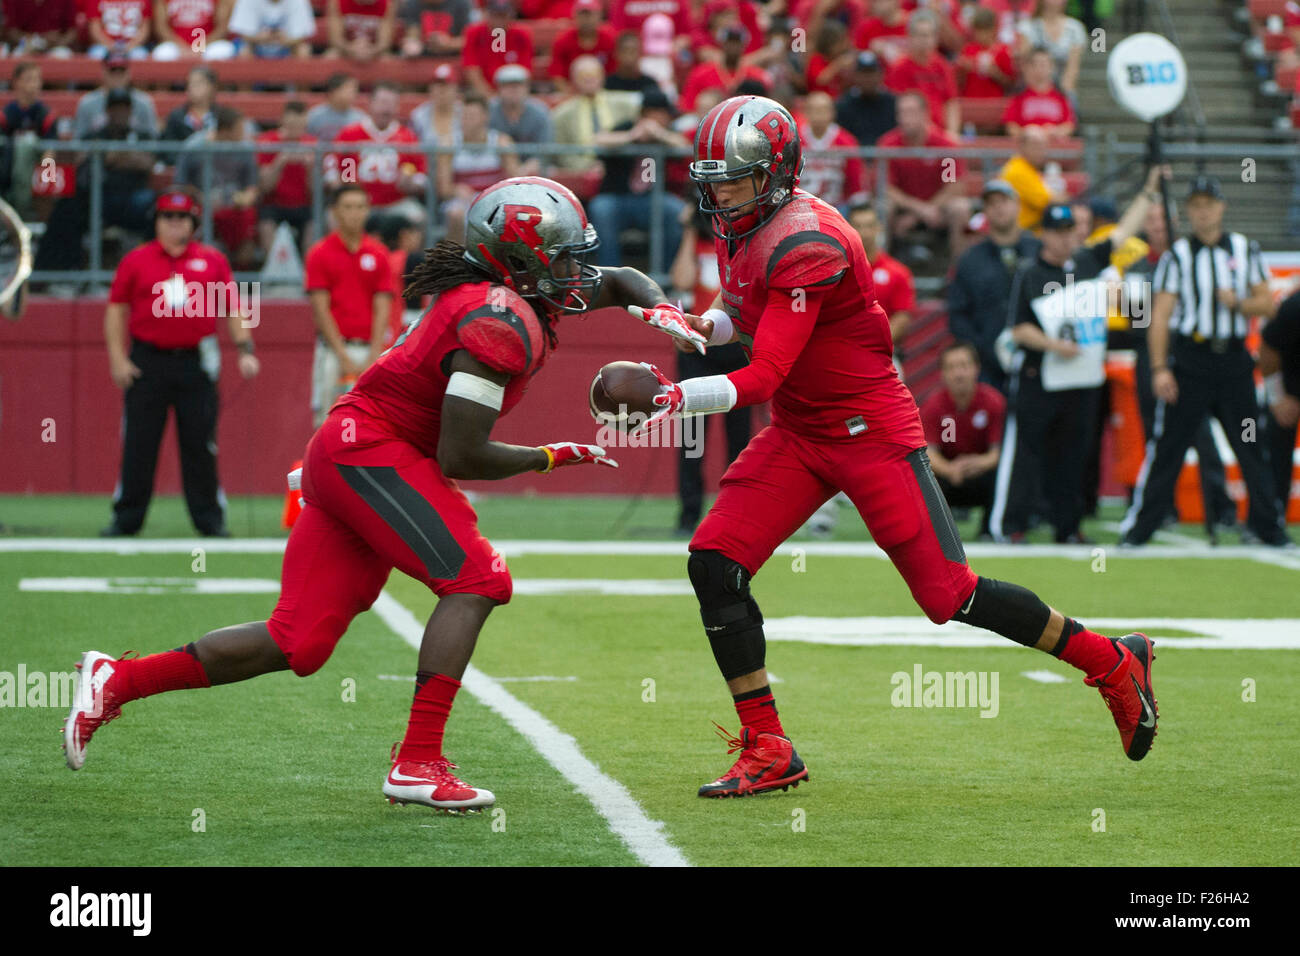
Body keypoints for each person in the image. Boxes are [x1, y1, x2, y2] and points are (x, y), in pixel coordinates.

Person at [64, 176, 706, 811]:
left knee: (298, 644)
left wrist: (663, 310)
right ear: (520, 261)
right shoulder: (498, 320)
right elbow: (461, 455)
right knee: (478, 579)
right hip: (371, 455)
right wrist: (545, 456)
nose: (576, 270)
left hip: (354, 449)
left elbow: (620, 279)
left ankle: (117, 681)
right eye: (563, 254)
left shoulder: (514, 293)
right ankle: (417, 761)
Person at [633, 96, 1161, 801]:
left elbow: (763, 374)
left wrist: (672, 400)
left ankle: (1111, 661)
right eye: (713, 175)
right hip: (801, 433)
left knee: (950, 596)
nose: (719, 190)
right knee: (715, 564)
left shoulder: (806, 241)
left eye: (734, 176)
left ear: (778, 175)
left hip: (868, 434)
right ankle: (768, 746)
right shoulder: (748, 228)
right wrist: (702, 323)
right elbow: (746, 315)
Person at [1119, 175, 1292, 548]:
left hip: (1233, 363)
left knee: (1251, 444)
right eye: (1195, 206)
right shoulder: (1178, 255)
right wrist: (1161, 367)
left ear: (1222, 207)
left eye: (1208, 204)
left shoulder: (1246, 249)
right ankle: (1141, 529)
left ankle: (1268, 526)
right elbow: (1160, 315)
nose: (1202, 212)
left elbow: (1266, 304)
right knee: (1169, 448)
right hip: (1191, 362)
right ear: (1189, 211)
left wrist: (1238, 304)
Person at [991, 172, 1163, 544]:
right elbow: (1017, 329)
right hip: (1042, 375)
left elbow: (1122, 234)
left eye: (1072, 230)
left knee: (1073, 455)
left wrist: (1148, 192)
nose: (1068, 237)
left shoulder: (1087, 262)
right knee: (1028, 451)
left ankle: (1067, 526)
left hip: (1082, 378)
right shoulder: (1031, 273)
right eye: (1060, 231)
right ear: (1045, 235)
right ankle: (1010, 524)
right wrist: (1055, 346)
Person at [99, 186, 260, 538]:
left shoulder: (212, 261)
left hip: (195, 361)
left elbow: (232, 307)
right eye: (167, 218)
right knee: (139, 443)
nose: (174, 225)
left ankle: (209, 520)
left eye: (181, 218)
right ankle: (127, 518)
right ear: (156, 222)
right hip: (147, 361)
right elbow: (116, 310)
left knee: (200, 443)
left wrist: (245, 348)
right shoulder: (136, 261)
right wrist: (117, 358)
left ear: (193, 223)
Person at [669, 203, 751, 535]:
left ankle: (736, 515)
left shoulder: (737, 249)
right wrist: (690, 229)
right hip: (696, 350)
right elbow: (680, 279)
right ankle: (689, 515)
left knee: (739, 440)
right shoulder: (699, 245)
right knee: (692, 440)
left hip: (734, 348)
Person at [304, 184, 395, 427]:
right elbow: (320, 310)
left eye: (360, 207)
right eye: (347, 207)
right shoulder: (320, 253)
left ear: (368, 210)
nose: (354, 213)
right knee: (325, 420)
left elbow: (383, 307)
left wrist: (375, 354)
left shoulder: (379, 253)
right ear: (334, 211)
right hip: (334, 350)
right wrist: (342, 355)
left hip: (371, 349)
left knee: (373, 420)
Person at [947, 179, 1039, 394]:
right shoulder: (970, 260)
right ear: (985, 211)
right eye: (992, 203)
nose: (999, 207)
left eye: (1004, 201)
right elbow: (958, 314)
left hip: (1038, 359)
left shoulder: (1039, 251)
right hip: (988, 366)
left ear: (1017, 205)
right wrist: (981, 350)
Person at [585, 87, 687, 268]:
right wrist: (632, 137)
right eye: (663, 114)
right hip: (618, 198)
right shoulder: (627, 126)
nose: (667, 119)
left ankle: (666, 277)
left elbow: (683, 145)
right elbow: (599, 140)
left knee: (677, 211)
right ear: (649, 113)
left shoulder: (665, 133)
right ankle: (611, 276)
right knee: (601, 208)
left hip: (651, 200)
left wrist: (659, 134)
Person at [921, 341, 1005, 538]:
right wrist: (950, 470)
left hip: (982, 473)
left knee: (1005, 476)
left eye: (964, 366)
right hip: (948, 475)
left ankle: (991, 529)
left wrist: (977, 464)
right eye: (951, 368)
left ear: (976, 368)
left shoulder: (994, 401)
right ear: (942, 373)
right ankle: (934, 533)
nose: (959, 374)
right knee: (922, 476)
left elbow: (999, 452)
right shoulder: (933, 405)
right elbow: (928, 452)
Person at [878, 91, 970, 258]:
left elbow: (953, 187)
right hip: (903, 209)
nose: (903, 118)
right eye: (900, 112)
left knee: (960, 208)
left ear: (924, 114)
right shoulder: (889, 144)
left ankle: (958, 270)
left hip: (938, 209)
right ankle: (881, 267)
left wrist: (924, 211)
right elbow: (886, 187)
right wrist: (918, 210)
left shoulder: (944, 145)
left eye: (910, 112)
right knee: (882, 207)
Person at [325, 82, 428, 230]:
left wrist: (413, 183)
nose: (386, 108)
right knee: (333, 217)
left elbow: (421, 172)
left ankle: (412, 255)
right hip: (357, 203)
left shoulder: (408, 137)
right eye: (382, 102)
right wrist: (339, 184)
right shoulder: (350, 134)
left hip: (396, 202)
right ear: (371, 104)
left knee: (419, 217)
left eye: (392, 103)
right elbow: (334, 165)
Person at [175, 106, 261, 269]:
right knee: (191, 217)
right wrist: (200, 197)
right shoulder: (194, 147)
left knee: (249, 216)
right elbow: (180, 185)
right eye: (239, 130)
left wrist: (246, 197)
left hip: (234, 207)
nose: (243, 134)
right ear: (226, 131)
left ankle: (238, 275)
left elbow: (252, 186)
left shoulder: (245, 149)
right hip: (201, 205)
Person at [436, 93, 518, 243]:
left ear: (485, 117)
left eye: (471, 115)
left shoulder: (501, 143)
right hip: (462, 200)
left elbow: (516, 182)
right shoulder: (448, 145)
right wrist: (456, 189)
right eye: (464, 115)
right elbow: (444, 189)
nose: (466, 120)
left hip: (493, 199)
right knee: (455, 214)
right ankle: (456, 261)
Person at [551, 56, 640, 173]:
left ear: (602, 76)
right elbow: (561, 151)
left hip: (622, 168)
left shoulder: (626, 105)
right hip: (581, 173)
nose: (589, 79)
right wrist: (585, 168)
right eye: (583, 75)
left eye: (594, 74)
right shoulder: (562, 114)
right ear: (573, 79)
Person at [883, 9, 959, 136]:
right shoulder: (899, 67)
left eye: (928, 35)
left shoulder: (942, 65)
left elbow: (951, 102)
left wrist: (952, 132)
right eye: (920, 35)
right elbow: (896, 108)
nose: (924, 40)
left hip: (940, 134)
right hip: (911, 134)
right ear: (910, 36)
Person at [255, 100, 317, 255]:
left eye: (299, 126)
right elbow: (265, 186)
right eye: (291, 126)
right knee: (267, 229)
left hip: (304, 205)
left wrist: (310, 168)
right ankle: (276, 275)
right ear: (282, 121)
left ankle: (309, 274)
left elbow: (316, 191)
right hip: (273, 204)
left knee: (314, 230)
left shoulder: (313, 144)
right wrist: (279, 162)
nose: (295, 131)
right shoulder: (267, 142)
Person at [1260, 288, 1300, 519]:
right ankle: (1269, 520)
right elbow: (1267, 349)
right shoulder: (1294, 307)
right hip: (1288, 385)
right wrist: (1278, 397)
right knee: (1275, 453)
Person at [796, 92, 866, 211]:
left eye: (823, 110)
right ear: (806, 112)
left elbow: (855, 176)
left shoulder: (845, 141)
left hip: (837, 205)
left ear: (832, 112)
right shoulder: (795, 139)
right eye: (815, 109)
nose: (819, 114)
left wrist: (858, 203)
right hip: (801, 204)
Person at [74, 50, 159, 139]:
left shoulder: (144, 103)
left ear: (128, 73)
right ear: (104, 72)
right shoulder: (87, 104)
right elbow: (79, 143)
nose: (117, 76)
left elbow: (153, 143)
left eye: (121, 70)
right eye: (113, 70)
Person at [999, 125, 1066, 232]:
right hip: (1023, 234)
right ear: (1022, 146)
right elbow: (1049, 202)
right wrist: (1066, 198)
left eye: (1043, 146)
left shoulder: (1029, 169)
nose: (1041, 151)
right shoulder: (1018, 170)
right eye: (1035, 146)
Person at [488, 64, 551, 176]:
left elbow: (545, 149)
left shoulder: (540, 112)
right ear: (498, 88)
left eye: (519, 85)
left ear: (527, 87)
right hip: (495, 169)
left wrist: (534, 164)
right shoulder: (488, 111)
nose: (514, 90)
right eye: (508, 85)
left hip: (532, 172)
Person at [461, 0, 533, 96]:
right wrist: (491, 97)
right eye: (495, 15)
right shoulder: (474, 33)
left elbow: (523, 72)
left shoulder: (521, 35)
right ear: (487, 15)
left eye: (503, 16)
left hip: (513, 93)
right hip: (482, 94)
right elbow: (472, 70)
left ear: (511, 16)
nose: (499, 20)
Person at [1001, 46, 1075, 138]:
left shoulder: (1060, 96)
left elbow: (1069, 125)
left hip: (1055, 146)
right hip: (1027, 146)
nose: (1040, 68)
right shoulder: (1019, 95)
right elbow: (1011, 125)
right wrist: (1028, 134)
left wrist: (1056, 131)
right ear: (1029, 67)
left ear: (1051, 67)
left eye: (1043, 64)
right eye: (1035, 64)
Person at [549, 0, 617, 94]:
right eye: (582, 15)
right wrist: (569, 93)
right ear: (574, 16)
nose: (586, 19)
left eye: (590, 15)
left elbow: (614, 71)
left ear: (599, 16)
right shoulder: (563, 41)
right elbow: (557, 74)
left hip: (604, 91)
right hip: (572, 92)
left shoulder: (609, 39)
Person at [834, 50, 896, 147]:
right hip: (854, 157)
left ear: (880, 75)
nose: (868, 79)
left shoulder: (892, 103)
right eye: (863, 74)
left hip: (885, 158)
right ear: (855, 76)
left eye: (871, 73)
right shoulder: (844, 104)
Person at [151, 0, 237, 60]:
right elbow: (161, 27)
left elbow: (222, 27)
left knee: (222, 51)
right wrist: (182, 47)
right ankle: (162, 87)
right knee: (162, 54)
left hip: (208, 45)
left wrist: (202, 46)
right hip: (177, 45)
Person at [229, 0, 316, 58]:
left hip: (287, 48)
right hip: (257, 47)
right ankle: (246, 86)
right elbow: (244, 34)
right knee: (244, 51)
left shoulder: (299, 1)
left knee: (303, 50)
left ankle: (297, 85)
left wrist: (286, 39)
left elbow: (301, 36)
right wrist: (260, 38)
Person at [325, 0, 398, 62]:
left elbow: (385, 43)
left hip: (374, 50)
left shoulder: (386, 4)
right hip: (346, 49)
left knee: (387, 59)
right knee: (331, 57)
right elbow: (335, 39)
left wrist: (371, 51)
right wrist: (351, 49)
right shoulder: (338, 2)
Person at [160, 66, 217, 142]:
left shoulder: (221, 117)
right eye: (189, 83)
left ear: (211, 86)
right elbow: (168, 149)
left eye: (198, 83)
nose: (192, 87)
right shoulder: (176, 117)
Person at [305, 73, 366, 143]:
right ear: (334, 91)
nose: (353, 94)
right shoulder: (314, 116)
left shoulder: (360, 118)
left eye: (355, 90)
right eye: (349, 89)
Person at [398, 0, 468, 57]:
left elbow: (468, 40)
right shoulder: (412, 4)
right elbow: (412, 33)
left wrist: (450, 43)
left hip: (453, 58)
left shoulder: (461, 4)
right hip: (422, 59)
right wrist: (412, 44)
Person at [86, 0, 153, 59]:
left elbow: (145, 29)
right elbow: (94, 29)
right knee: (96, 55)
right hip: (105, 45)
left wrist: (129, 46)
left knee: (139, 55)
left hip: (134, 45)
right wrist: (111, 46)